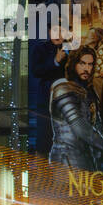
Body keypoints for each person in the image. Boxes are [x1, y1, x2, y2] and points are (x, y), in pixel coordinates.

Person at [49, 46, 103, 171]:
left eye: (90, 64)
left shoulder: (88, 91)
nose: (86, 68)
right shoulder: (63, 89)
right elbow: (79, 127)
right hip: (66, 159)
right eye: (82, 63)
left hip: (86, 157)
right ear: (73, 64)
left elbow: (95, 123)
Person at [31, 19, 72, 155]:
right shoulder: (40, 48)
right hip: (47, 100)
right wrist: (55, 61)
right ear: (49, 32)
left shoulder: (71, 49)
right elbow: (36, 71)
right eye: (54, 30)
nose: (57, 34)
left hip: (67, 101)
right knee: (45, 136)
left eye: (61, 31)